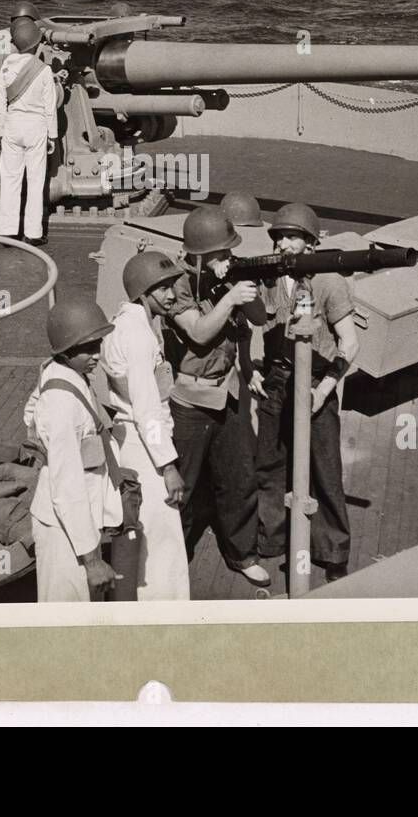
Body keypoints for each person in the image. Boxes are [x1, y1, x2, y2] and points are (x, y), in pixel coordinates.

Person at [165, 205, 271, 587]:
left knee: (239, 478)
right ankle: (170, 555)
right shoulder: (176, 284)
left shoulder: (224, 277)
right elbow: (198, 332)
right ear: (199, 254)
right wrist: (228, 299)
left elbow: (259, 318)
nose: (228, 259)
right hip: (190, 402)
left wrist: (241, 288)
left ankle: (243, 554)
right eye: (222, 254)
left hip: (227, 394)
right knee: (184, 488)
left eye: (230, 253)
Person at [255, 202, 361, 582]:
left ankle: (333, 551)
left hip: (316, 381)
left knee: (325, 469)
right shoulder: (269, 278)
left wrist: (326, 388)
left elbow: (350, 343)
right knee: (270, 462)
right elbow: (253, 321)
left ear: (311, 243)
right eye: (279, 236)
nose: (284, 243)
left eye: (292, 236)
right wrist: (251, 366)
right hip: (277, 378)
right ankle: (272, 538)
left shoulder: (329, 281)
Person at [100, 251, 190, 600]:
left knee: (144, 538)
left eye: (171, 286)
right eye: (162, 288)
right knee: (162, 541)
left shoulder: (124, 323)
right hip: (145, 447)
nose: (171, 294)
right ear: (142, 292)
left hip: (130, 441)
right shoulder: (139, 336)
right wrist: (167, 466)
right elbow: (147, 409)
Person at [27, 299, 122, 602]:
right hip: (63, 529)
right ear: (66, 350)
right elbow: (67, 488)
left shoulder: (60, 372)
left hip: (77, 521)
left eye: (98, 344)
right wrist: (93, 561)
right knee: (66, 615)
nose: (97, 355)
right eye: (88, 348)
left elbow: (29, 412)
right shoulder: (62, 403)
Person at [0, 15, 57, 246]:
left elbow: (1, 103)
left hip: (12, 125)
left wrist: (1, 132)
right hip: (36, 127)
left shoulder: (5, 67)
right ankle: (33, 233)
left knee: (10, 180)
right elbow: (50, 107)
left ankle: (8, 231)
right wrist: (52, 135)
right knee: (35, 181)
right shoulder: (43, 70)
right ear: (36, 43)